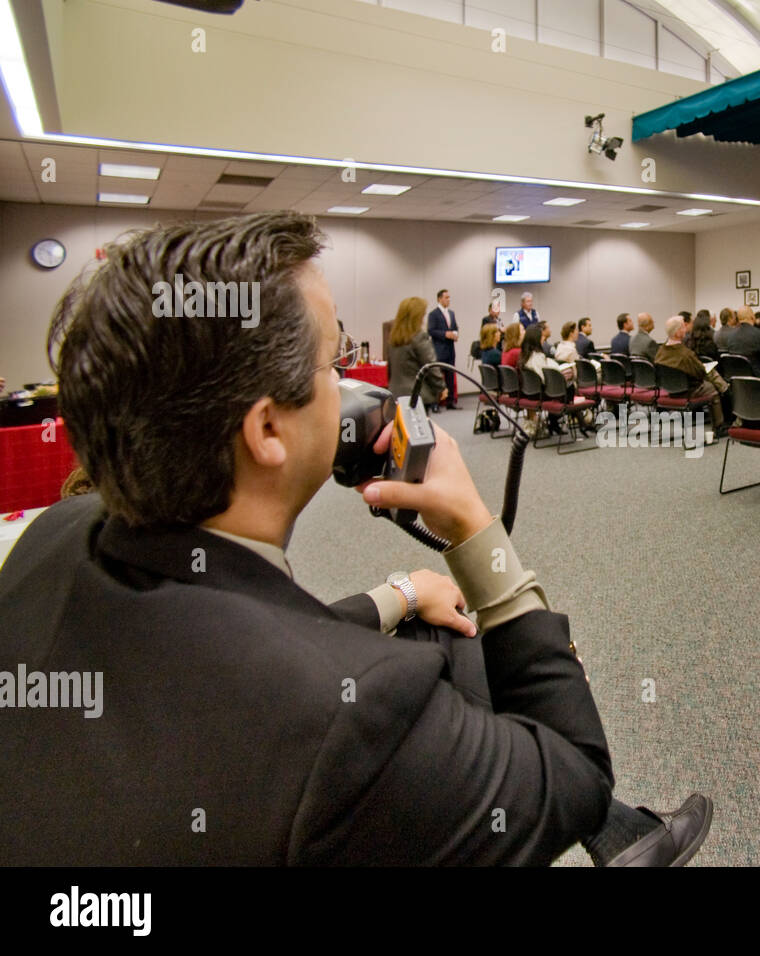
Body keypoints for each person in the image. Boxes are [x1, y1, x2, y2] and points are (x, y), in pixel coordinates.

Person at [0, 211, 711, 866]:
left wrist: (400, 593)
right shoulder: (344, 715)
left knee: (447, 639)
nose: (346, 389)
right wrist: (483, 546)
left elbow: (236, 647)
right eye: (333, 366)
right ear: (267, 430)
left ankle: (627, 840)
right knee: (496, 655)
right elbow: (580, 778)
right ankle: (615, 831)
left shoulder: (55, 533)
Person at [654, 317, 728, 433]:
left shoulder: (660, 352)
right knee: (712, 388)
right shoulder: (685, 354)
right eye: (683, 327)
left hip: (669, 390)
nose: (686, 330)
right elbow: (700, 373)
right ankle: (719, 426)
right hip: (688, 391)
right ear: (678, 332)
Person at [389, 296, 448, 412]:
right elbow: (430, 366)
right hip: (416, 396)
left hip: (396, 394)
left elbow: (390, 369)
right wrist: (441, 388)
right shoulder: (419, 336)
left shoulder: (393, 338)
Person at [727, 306, 760, 385]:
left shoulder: (730, 336)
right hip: (758, 381)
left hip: (738, 382)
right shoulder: (759, 334)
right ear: (752, 317)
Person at [428, 289, 460, 409]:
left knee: (450, 376)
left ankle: (450, 402)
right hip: (439, 350)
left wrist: (455, 334)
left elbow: (455, 327)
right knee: (438, 377)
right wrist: (445, 334)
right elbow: (431, 331)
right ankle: (435, 403)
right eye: (446, 297)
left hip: (450, 350)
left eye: (449, 297)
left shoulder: (451, 313)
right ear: (439, 299)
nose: (448, 299)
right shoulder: (433, 314)